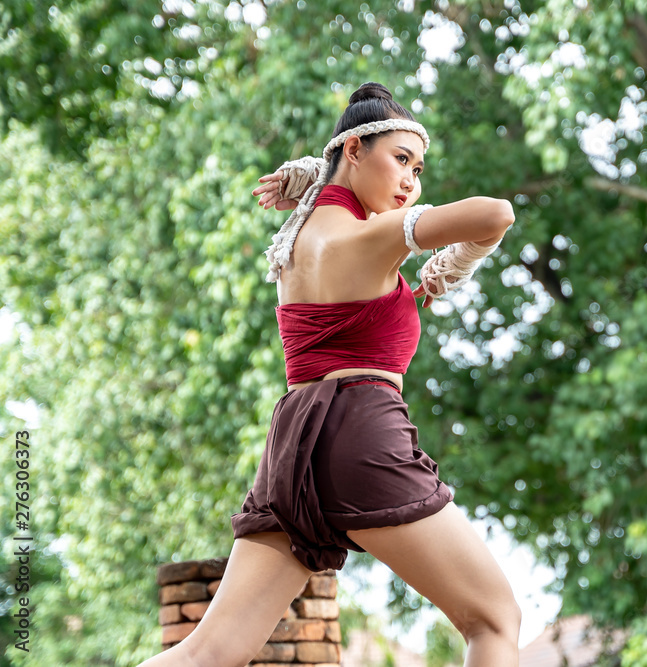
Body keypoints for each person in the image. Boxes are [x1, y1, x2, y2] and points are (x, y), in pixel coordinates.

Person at [138, 82, 520, 667]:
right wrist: (453, 260)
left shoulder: (300, 241)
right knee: (494, 620)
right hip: (362, 432)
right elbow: (496, 214)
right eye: (400, 160)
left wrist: (325, 180)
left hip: (294, 443)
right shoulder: (371, 237)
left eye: (418, 169)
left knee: (207, 653)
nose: (411, 182)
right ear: (353, 150)